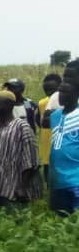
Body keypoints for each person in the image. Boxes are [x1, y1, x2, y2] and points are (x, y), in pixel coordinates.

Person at [0, 91, 41, 209]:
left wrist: (22, 187)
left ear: (10, 105)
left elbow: (31, 161)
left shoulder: (22, 128)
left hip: (13, 191)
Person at [49, 79, 79, 215]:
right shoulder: (54, 116)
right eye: (60, 91)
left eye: (66, 92)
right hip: (57, 179)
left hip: (76, 179)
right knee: (59, 219)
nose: (61, 95)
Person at [38, 74, 61, 184]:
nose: (48, 93)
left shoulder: (64, 102)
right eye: (45, 90)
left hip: (59, 138)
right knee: (46, 162)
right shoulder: (42, 103)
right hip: (46, 137)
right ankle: (48, 186)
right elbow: (39, 121)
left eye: (52, 90)